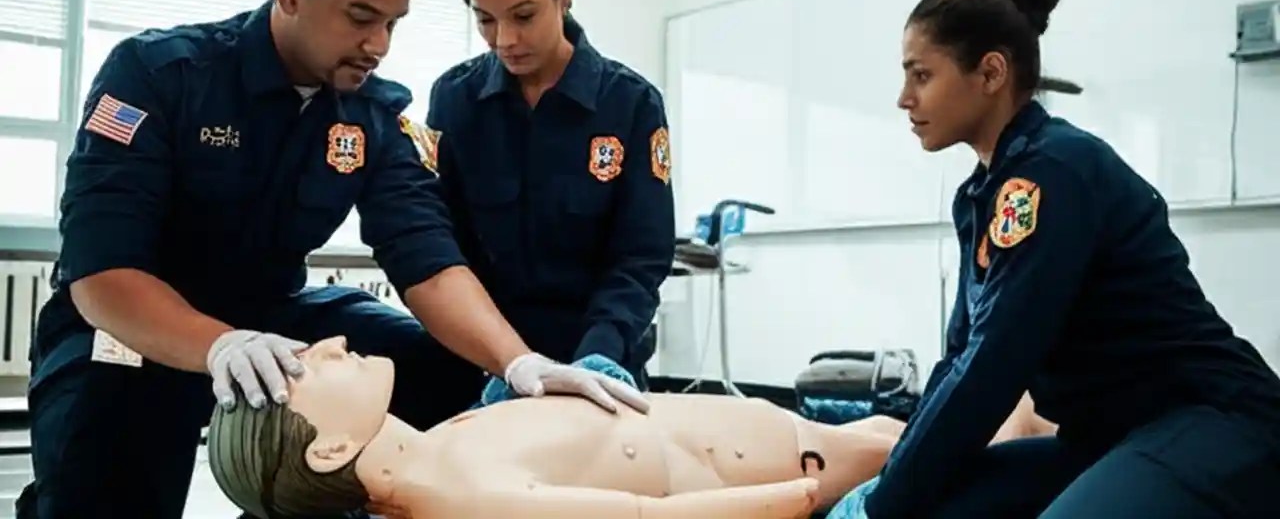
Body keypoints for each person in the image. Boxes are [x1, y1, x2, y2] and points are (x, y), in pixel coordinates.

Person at [17, 0, 645, 519]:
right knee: (103, 491)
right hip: (129, 329)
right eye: (361, 18)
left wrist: (519, 362)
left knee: (454, 378)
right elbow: (102, 276)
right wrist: (221, 344)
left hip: (273, 313)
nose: (379, 45)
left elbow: (425, 256)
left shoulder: (372, 114)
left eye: (393, 24)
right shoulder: (159, 75)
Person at [849, 0, 1280, 517]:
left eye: (921, 74)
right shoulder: (981, 197)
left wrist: (886, 506)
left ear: (990, 74)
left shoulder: (1052, 173)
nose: (904, 98)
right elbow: (959, 358)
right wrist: (892, 483)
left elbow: (992, 366)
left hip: (1208, 422)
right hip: (1106, 437)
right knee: (933, 504)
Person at [210, 336, 1056, 518]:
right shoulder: (461, 497)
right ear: (327, 445)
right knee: (1023, 427)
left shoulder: (447, 436)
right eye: (306, 372)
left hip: (792, 432)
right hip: (811, 469)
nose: (325, 344)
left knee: (1012, 404)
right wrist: (801, 498)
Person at [414, 0, 676, 392]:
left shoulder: (631, 104)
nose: (504, 40)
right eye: (485, 20)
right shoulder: (455, 99)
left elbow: (640, 258)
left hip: (599, 357)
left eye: (524, 15)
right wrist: (503, 358)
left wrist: (596, 359)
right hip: (483, 363)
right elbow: (439, 240)